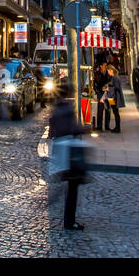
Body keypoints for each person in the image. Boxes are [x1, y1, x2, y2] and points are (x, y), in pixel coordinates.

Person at [49, 83, 87, 230]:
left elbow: (53, 128)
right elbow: (69, 128)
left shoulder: (57, 107)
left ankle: (68, 219)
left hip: (60, 149)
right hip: (68, 151)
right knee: (72, 187)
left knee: (70, 185)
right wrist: (82, 129)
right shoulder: (66, 108)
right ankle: (69, 221)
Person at [103, 65, 124, 134]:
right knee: (115, 112)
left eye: (108, 71)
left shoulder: (115, 77)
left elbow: (117, 87)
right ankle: (117, 127)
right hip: (113, 97)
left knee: (116, 112)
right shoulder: (114, 77)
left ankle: (117, 128)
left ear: (111, 70)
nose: (108, 73)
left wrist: (109, 88)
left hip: (114, 98)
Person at [93, 61, 110, 132]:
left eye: (106, 65)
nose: (105, 67)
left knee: (108, 109)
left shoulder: (108, 73)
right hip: (100, 93)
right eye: (104, 65)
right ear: (101, 66)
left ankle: (107, 126)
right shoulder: (97, 74)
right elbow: (95, 84)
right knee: (100, 110)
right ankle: (99, 126)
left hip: (108, 94)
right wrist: (98, 91)